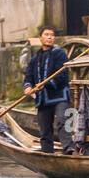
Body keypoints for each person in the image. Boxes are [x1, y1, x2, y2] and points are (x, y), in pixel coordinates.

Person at [23, 27, 73, 155]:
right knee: (44, 129)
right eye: (46, 35)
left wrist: (46, 84)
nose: (50, 37)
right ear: (40, 38)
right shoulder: (35, 59)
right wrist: (28, 87)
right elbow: (28, 76)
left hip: (60, 96)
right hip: (43, 99)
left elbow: (62, 75)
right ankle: (47, 154)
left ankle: (69, 149)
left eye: (52, 35)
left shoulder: (59, 53)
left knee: (63, 120)